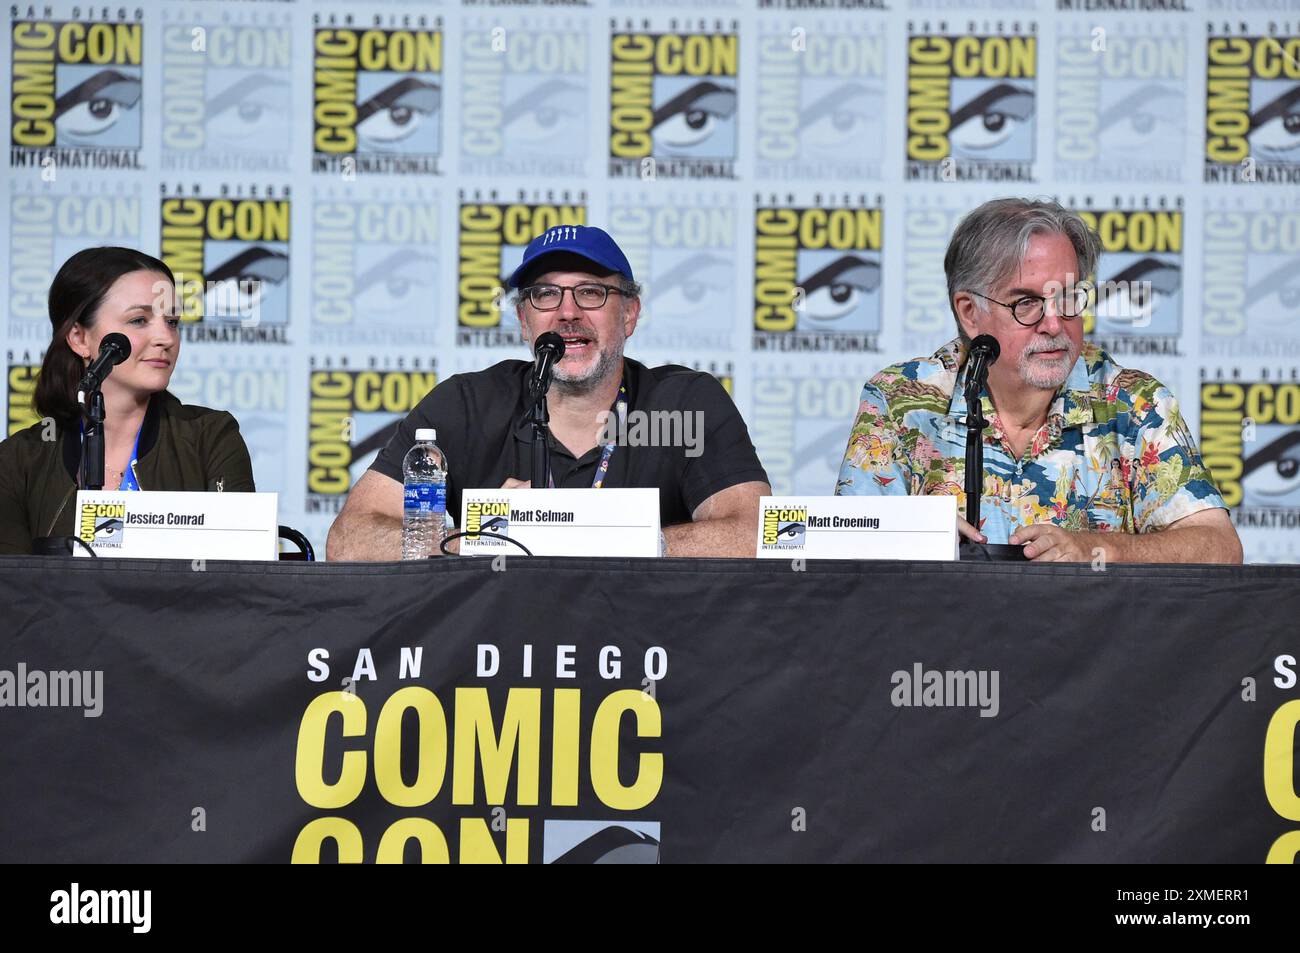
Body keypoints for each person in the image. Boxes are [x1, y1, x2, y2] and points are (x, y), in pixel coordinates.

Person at [834, 198, 1242, 564]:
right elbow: (837, 548)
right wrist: (911, 538)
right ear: (969, 312)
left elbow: (1220, 548)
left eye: (1067, 297)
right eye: (1026, 302)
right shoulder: (900, 399)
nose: (1053, 323)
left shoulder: (1134, 404)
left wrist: (1098, 550)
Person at [328, 224, 770, 559]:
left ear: (630, 315)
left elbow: (752, 533)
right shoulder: (466, 406)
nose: (567, 313)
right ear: (524, 321)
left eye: (591, 292)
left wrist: (596, 535)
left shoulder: (681, 406)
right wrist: (471, 542)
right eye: (545, 295)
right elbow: (349, 539)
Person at [0, 247, 256, 555]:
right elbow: (12, 591)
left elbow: (240, 575)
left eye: (172, 321)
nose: (166, 338)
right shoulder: (19, 459)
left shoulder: (211, 436)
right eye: (139, 320)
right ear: (80, 338)